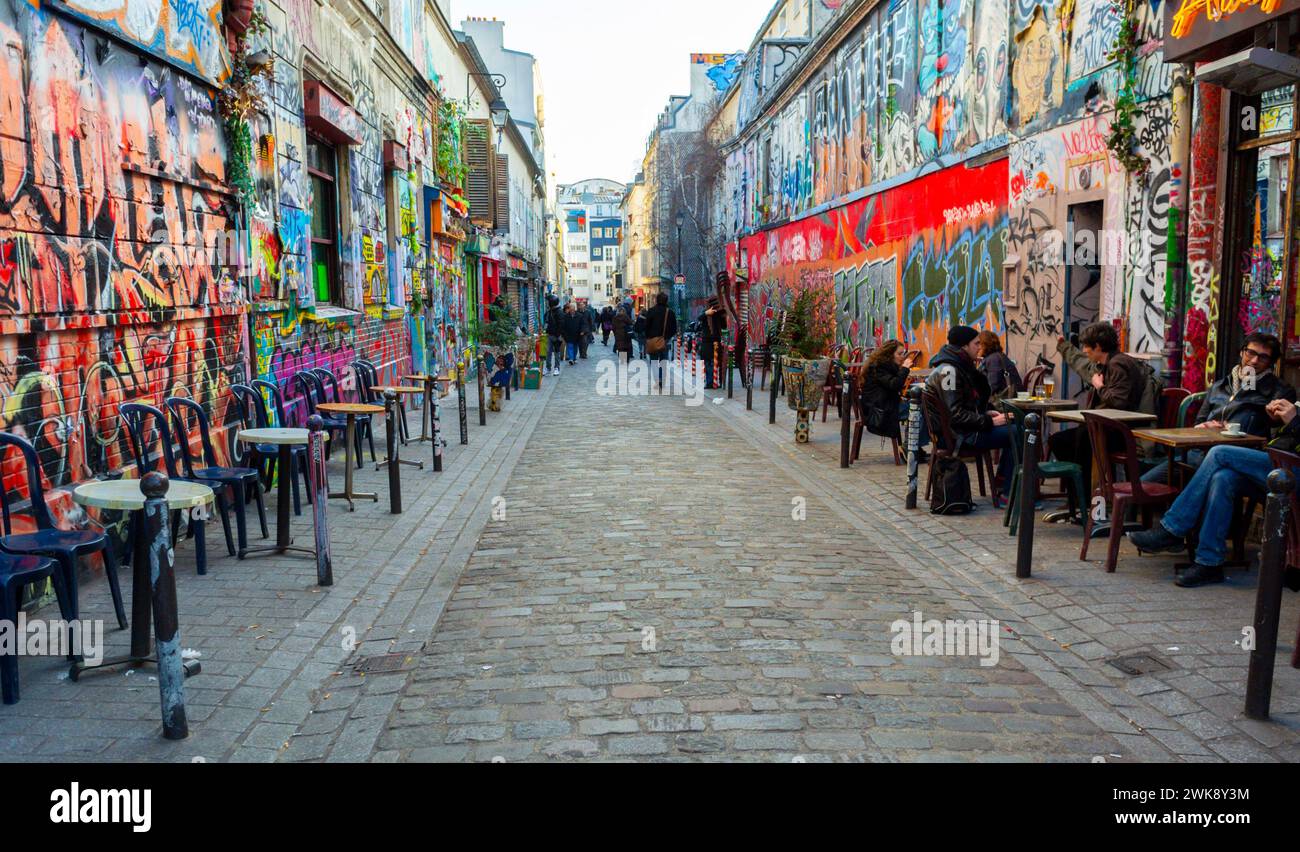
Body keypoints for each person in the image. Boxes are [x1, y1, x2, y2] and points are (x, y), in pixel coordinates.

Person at [1130, 397, 1300, 588]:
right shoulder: (1224, 385)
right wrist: (1274, 419)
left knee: (1219, 453)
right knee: (1223, 478)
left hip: (1291, 470)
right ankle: (1209, 563)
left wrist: (1294, 421)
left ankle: (1173, 529)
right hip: (1277, 462)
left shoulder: (1270, 386)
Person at [1144, 332, 1294, 484]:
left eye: (1263, 357)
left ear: (1271, 363)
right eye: (1251, 353)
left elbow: (1277, 438)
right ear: (1242, 352)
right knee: (1144, 484)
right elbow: (1199, 422)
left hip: (1236, 457)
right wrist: (1205, 427)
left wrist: (1270, 420)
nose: (1254, 361)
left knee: (1218, 479)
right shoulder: (1220, 386)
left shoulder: (1279, 392)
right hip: (1199, 453)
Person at [1047, 322, 1155, 496]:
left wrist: (1099, 386)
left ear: (1097, 347)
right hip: (1110, 427)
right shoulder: (1107, 362)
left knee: (1083, 437)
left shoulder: (1118, 364)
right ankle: (1078, 497)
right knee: (1059, 440)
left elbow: (1119, 402)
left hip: (1125, 433)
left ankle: (1084, 497)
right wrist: (1065, 347)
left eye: (1086, 346)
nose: (1084, 350)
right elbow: (1081, 363)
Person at [926, 325, 1014, 486]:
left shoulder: (958, 365)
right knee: (1018, 434)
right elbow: (956, 415)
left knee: (1017, 427)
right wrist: (989, 422)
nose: (980, 347)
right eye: (976, 344)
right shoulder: (949, 371)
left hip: (964, 430)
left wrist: (986, 413)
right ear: (964, 346)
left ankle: (1004, 481)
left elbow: (963, 405)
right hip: (960, 436)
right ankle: (1010, 491)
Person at [859, 340, 928, 456]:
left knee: (921, 406)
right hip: (881, 412)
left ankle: (914, 447)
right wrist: (905, 369)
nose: (902, 357)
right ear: (889, 354)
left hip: (885, 406)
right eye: (899, 354)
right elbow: (894, 384)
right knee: (922, 409)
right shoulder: (878, 368)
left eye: (903, 353)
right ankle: (911, 448)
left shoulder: (885, 366)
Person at [643, 293, 678, 388]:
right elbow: (674, 328)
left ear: (656, 300)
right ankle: (662, 379)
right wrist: (667, 338)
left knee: (654, 361)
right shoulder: (670, 312)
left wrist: (648, 337)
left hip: (652, 340)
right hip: (664, 341)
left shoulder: (651, 311)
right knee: (663, 361)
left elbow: (646, 326)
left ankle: (657, 380)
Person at [976, 331, 1022, 403]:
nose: (977, 347)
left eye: (978, 344)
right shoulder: (996, 356)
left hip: (1004, 402)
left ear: (984, 345)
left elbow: (992, 385)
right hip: (1008, 400)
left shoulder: (993, 359)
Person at [698, 296, 727, 389]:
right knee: (712, 362)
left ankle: (711, 382)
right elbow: (724, 326)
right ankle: (713, 382)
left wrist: (707, 313)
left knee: (709, 362)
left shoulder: (708, 312)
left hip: (709, 340)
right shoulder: (711, 312)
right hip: (713, 340)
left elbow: (699, 319)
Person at [543, 295, 564, 377]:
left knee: (556, 352)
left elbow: (561, 325)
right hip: (550, 335)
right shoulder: (550, 311)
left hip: (556, 336)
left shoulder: (559, 312)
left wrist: (557, 335)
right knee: (548, 352)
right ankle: (548, 368)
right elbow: (547, 321)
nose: (547, 303)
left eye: (549, 302)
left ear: (552, 302)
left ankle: (556, 368)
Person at [612, 300, 634, 365]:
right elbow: (630, 323)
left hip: (618, 334)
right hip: (626, 334)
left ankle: (622, 360)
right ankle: (626, 360)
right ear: (624, 311)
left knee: (620, 347)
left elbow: (613, 327)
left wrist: (615, 333)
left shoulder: (615, 317)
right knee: (626, 347)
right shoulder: (626, 316)